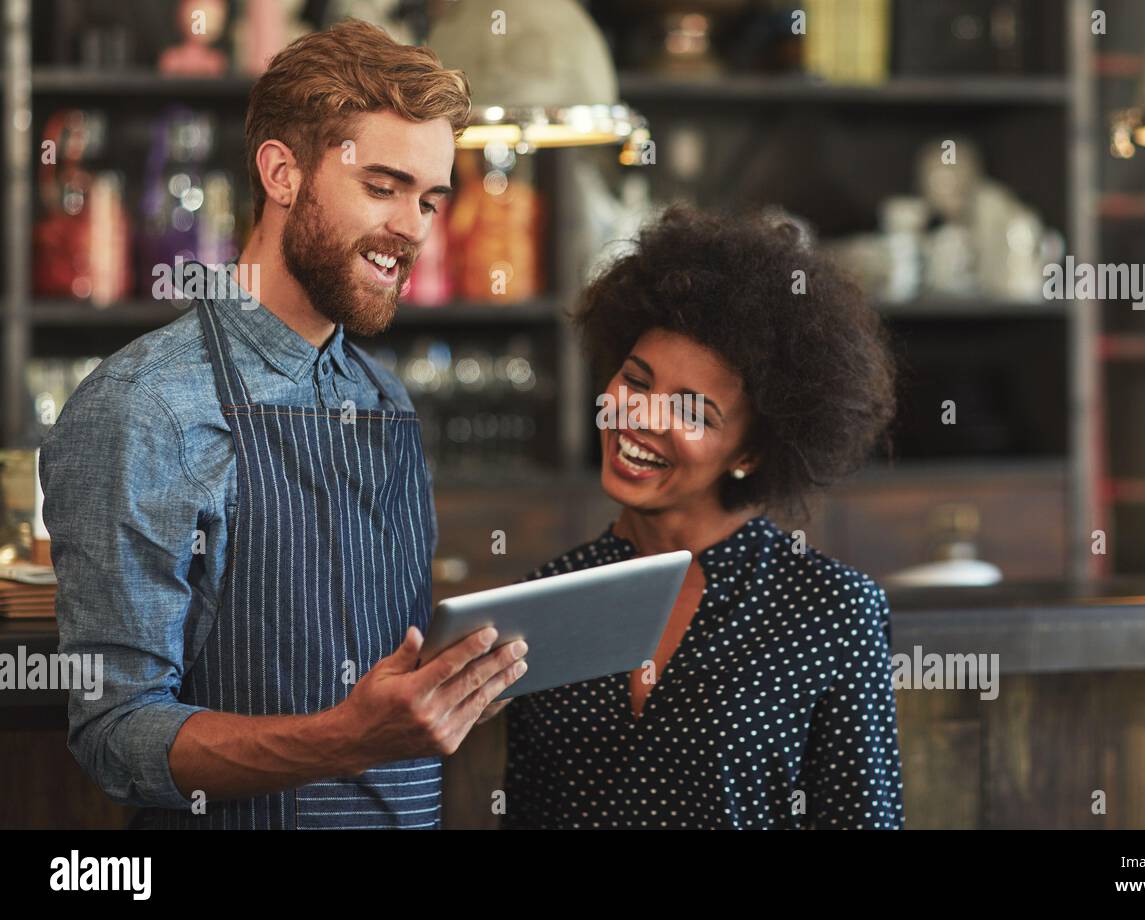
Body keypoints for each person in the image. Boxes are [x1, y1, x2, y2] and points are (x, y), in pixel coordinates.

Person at [39, 19, 526, 830]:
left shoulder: (385, 403)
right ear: (282, 173)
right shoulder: (145, 406)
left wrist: (455, 687)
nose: (413, 228)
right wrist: (344, 739)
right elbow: (115, 735)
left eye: (428, 200)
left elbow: (387, 680)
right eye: (382, 187)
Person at [502, 205, 903, 829]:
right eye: (636, 381)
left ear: (750, 453)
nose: (640, 417)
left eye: (691, 412)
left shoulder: (832, 610)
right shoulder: (547, 599)